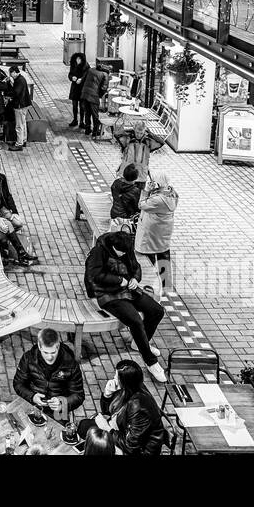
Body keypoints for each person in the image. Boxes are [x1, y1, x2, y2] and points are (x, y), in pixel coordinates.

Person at [84, 231, 167, 382]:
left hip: (129, 289)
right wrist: (117, 280)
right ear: (113, 246)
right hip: (107, 293)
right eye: (120, 251)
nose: (123, 254)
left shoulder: (126, 247)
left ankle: (141, 343)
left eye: (125, 252)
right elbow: (93, 276)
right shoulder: (99, 251)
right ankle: (150, 362)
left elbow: (136, 266)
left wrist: (135, 278)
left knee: (157, 311)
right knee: (135, 320)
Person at [11, 327, 85, 421]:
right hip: (32, 405)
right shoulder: (28, 358)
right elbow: (18, 383)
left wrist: (62, 404)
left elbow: (79, 395)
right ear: (39, 346)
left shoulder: (71, 364)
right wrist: (32, 396)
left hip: (58, 412)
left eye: (53, 352)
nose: (50, 357)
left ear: (58, 346)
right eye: (46, 352)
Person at [98, 359, 166, 455]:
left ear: (124, 381)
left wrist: (107, 428)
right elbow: (107, 412)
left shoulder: (139, 408)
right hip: (122, 432)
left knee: (94, 441)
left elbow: (130, 445)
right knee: (84, 427)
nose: (114, 379)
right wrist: (107, 394)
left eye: (117, 377)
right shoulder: (128, 389)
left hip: (141, 450)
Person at [136, 174, 179, 294]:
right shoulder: (172, 193)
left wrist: (146, 191)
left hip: (152, 231)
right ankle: (166, 284)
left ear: (158, 184)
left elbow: (141, 205)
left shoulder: (157, 200)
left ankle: (151, 283)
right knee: (163, 253)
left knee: (149, 256)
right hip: (164, 230)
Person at [110, 162, 144, 231]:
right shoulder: (135, 191)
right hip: (125, 218)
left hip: (114, 214)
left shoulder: (116, 183)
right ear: (136, 178)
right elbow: (137, 207)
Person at [80, 60, 109, 138]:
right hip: (93, 96)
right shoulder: (105, 74)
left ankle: (87, 129)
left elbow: (83, 80)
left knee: (87, 112)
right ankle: (96, 132)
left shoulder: (90, 69)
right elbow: (104, 88)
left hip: (84, 93)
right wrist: (99, 96)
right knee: (95, 114)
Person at [8, 64, 32, 151]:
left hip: (20, 105)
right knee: (23, 123)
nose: (11, 76)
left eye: (11, 74)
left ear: (14, 72)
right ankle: (23, 140)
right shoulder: (20, 79)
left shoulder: (19, 81)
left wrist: (10, 95)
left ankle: (19, 144)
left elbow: (16, 93)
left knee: (19, 125)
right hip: (24, 104)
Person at [67, 52, 88, 128]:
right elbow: (70, 74)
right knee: (74, 105)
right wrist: (72, 77)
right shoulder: (73, 65)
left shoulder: (86, 66)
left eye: (79, 59)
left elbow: (87, 76)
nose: (78, 60)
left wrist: (81, 79)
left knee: (82, 106)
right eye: (77, 59)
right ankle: (75, 120)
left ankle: (82, 122)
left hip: (82, 88)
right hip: (75, 87)